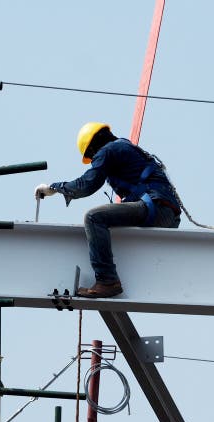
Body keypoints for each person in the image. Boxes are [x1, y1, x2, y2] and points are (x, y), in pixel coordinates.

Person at [34, 122, 181, 298]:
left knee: (93, 218)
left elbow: (86, 185)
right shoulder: (123, 147)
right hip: (167, 214)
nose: (94, 159)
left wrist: (55, 188)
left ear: (94, 145)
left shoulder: (108, 151)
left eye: (91, 155)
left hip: (155, 207)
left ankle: (107, 280)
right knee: (108, 219)